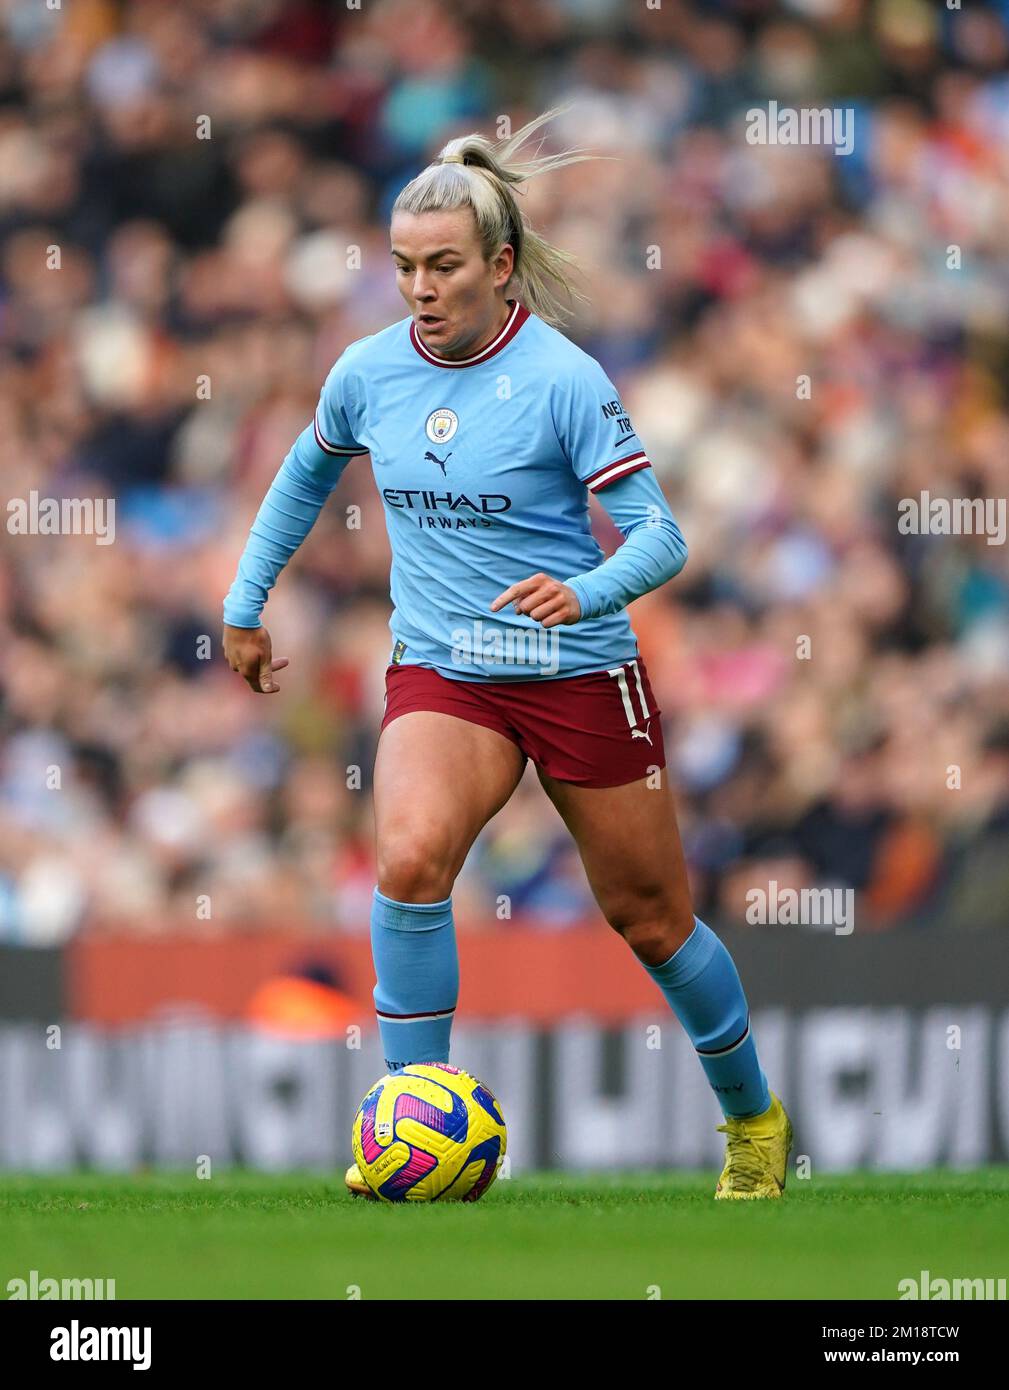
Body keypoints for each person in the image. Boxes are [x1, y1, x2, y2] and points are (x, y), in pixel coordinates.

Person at [222, 110, 792, 1199]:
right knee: (407, 861)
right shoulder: (367, 370)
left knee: (652, 917)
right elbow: (304, 476)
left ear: (500, 263)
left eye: (442, 266)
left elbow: (663, 537)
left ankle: (753, 1121)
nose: (420, 288)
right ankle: (409, 1133)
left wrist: (585, 590)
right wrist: (246, 602)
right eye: (402, 268)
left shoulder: (564, 379)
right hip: (446, 670)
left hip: (577, 670)